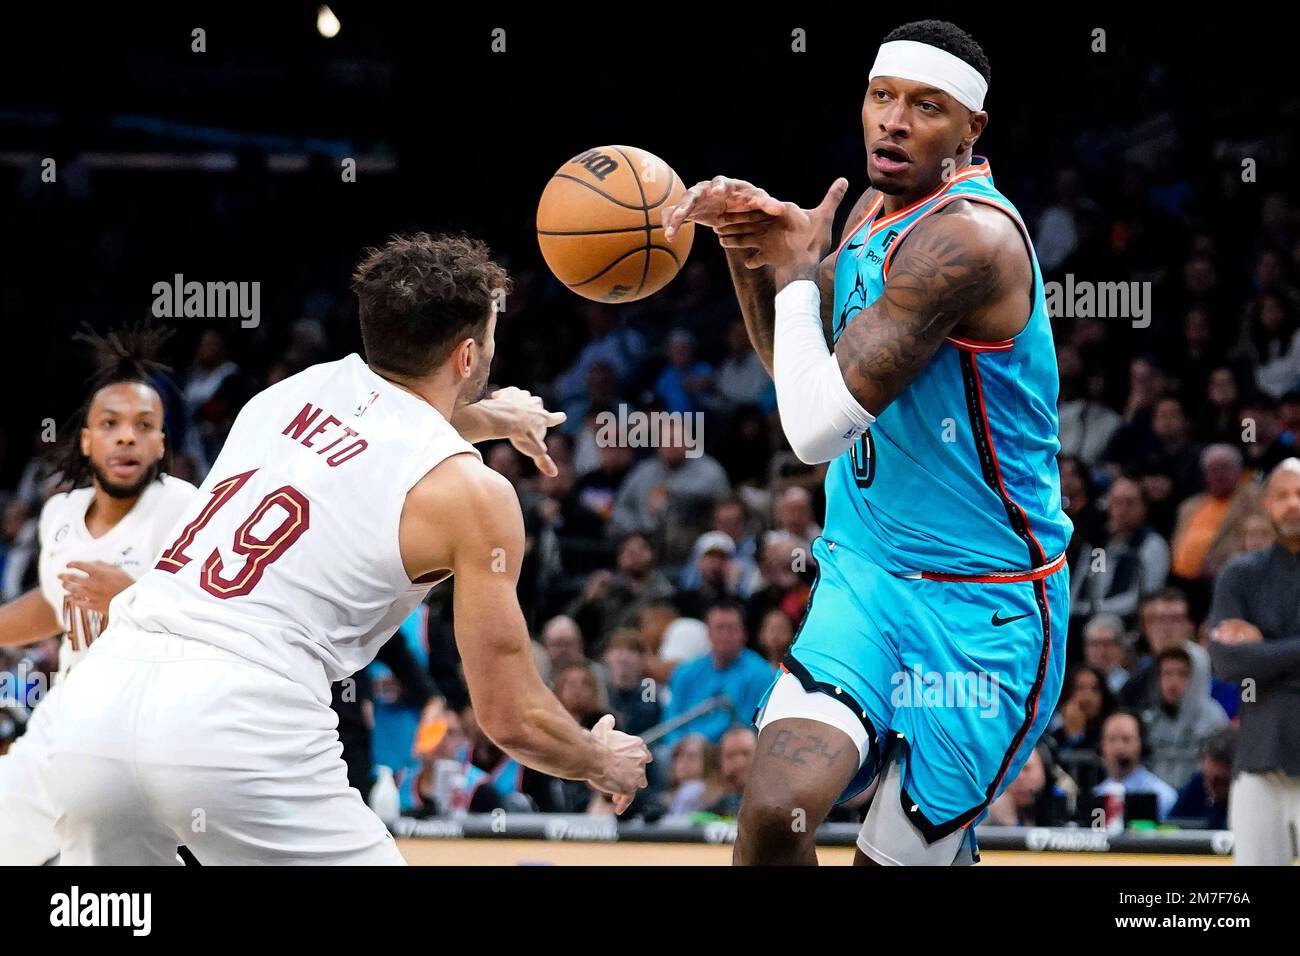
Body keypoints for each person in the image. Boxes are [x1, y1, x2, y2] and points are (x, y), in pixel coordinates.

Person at [46, 233, 651, 865]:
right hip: (238, 721)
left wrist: (493, 417)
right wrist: (600, 761)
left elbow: (372, 439)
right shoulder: (476, 495)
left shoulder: (282, 396)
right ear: (468, 355)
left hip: (98, 709)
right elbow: (509, 716)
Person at [665, 19, 1071, 865]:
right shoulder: (866, 218)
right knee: (775, 818)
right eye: (882, 97)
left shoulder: (970, 241)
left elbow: (811, 432)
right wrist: (753, 254)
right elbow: (799, 372)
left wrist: (792, 275)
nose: (893, 120)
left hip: (985, 609)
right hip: (867, 581)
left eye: (926, 107)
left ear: (971, 130)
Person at [0, 326, 198, 865]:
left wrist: (130, 598)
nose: (126, 437)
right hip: (64, 714)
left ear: (161, 443)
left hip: (143, 727)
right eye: (109, 425)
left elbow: (215, 624)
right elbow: (53, 603)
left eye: (143, 426)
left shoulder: (186, 511)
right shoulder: (60, 514)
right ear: (87, 440)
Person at [1207, 458, 1300, 864]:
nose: (1292, 504)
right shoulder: (1239, 575)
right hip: (1259, 758)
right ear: (1265, 504)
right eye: (1281, 496)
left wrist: (1263, 649)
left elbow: (1247, 661)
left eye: (1299, 494)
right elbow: (1227, 664)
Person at [660, 600, 773, 745]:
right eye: (719, 628)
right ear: (708, 634)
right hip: (685, 750)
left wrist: (702, 744)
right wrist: (680, 745)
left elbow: (749, 725)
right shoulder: (685, 673)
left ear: (744, 634)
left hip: (730, 749)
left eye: (731, 629)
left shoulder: (760, 674)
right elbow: (671, 720)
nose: (725, 636)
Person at [1141, 646, 1228, 790]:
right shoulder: (1150, 718)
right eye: (1166, 674)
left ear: (1198, 677)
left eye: (1182, 674)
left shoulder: (1214, 720)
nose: (1172, 683)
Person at [1093, 711, 1178, 822]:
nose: (1119, 746)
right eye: (1111, 739)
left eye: (1126, 739)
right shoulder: (1097, 795)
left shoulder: (1163, 796)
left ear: (1141, 743)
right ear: (1102, 745)